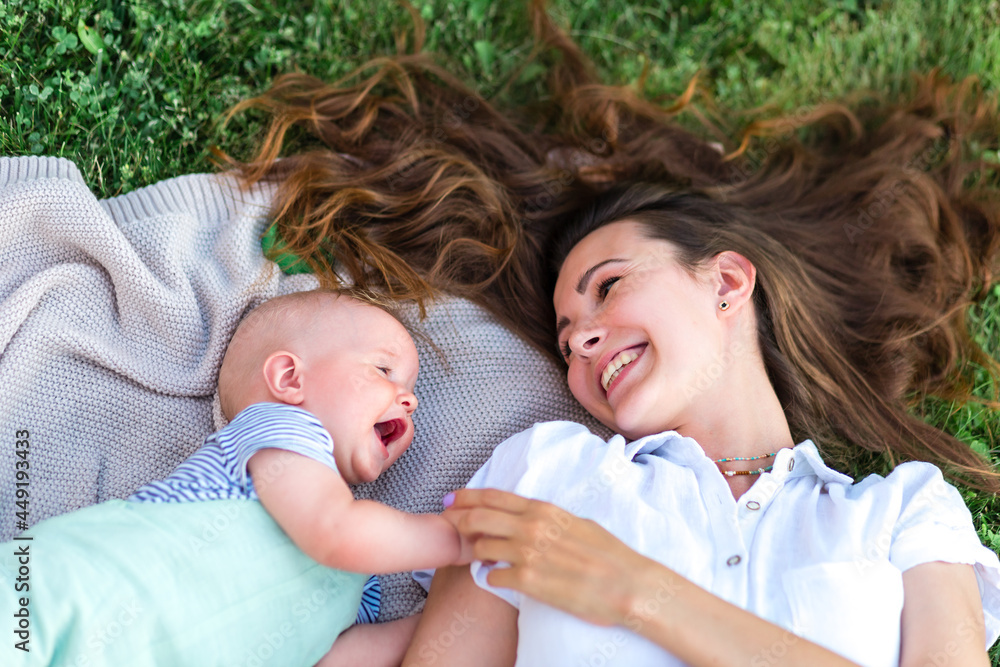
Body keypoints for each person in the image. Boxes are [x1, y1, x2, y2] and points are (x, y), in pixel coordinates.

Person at [216, 3, 1000, 663]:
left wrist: (639, 591)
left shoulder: (905, 512)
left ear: (726, 282)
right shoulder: (546, 475)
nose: (583, 341)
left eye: (610, 288)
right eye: (565, 339)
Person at [0, 288, 469, 667]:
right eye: (384, 370)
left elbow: (330, 657)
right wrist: (459, 539)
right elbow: (333, 529)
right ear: (289, 380)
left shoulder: (361, 577)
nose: (408, 400)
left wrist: (448, 616)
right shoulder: (281, 430)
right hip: (63, 601)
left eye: (409, 390)